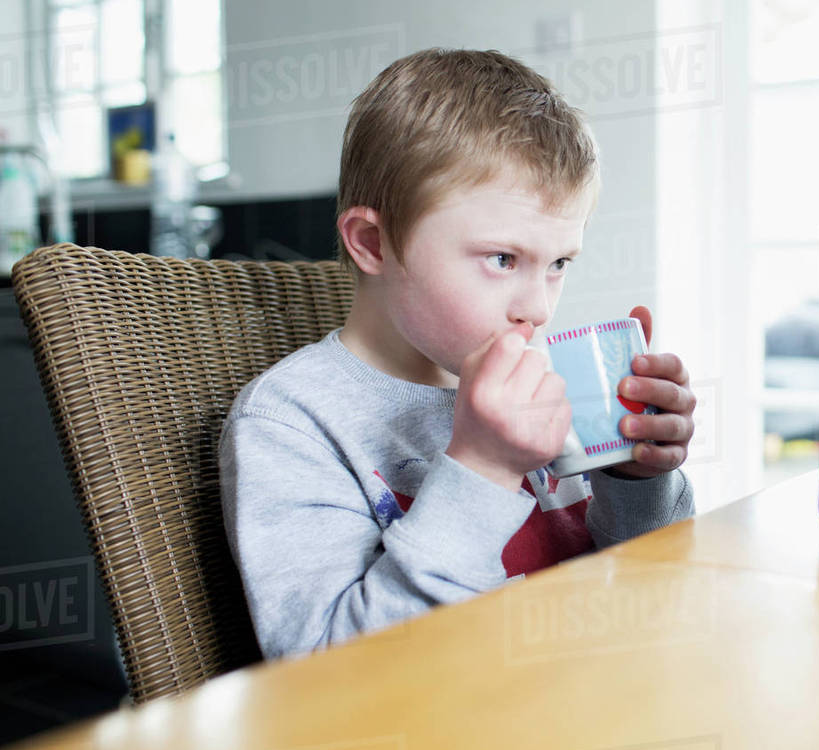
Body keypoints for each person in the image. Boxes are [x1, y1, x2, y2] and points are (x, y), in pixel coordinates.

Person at [219, 48, 698, 660]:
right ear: (373, 243)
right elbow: (327, 670)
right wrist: (483, 468)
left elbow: (651, 585)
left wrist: (635, 478)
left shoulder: (538, 382)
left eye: (558, 264)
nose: (539, 308)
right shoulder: (292, 424)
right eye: (503, 259)